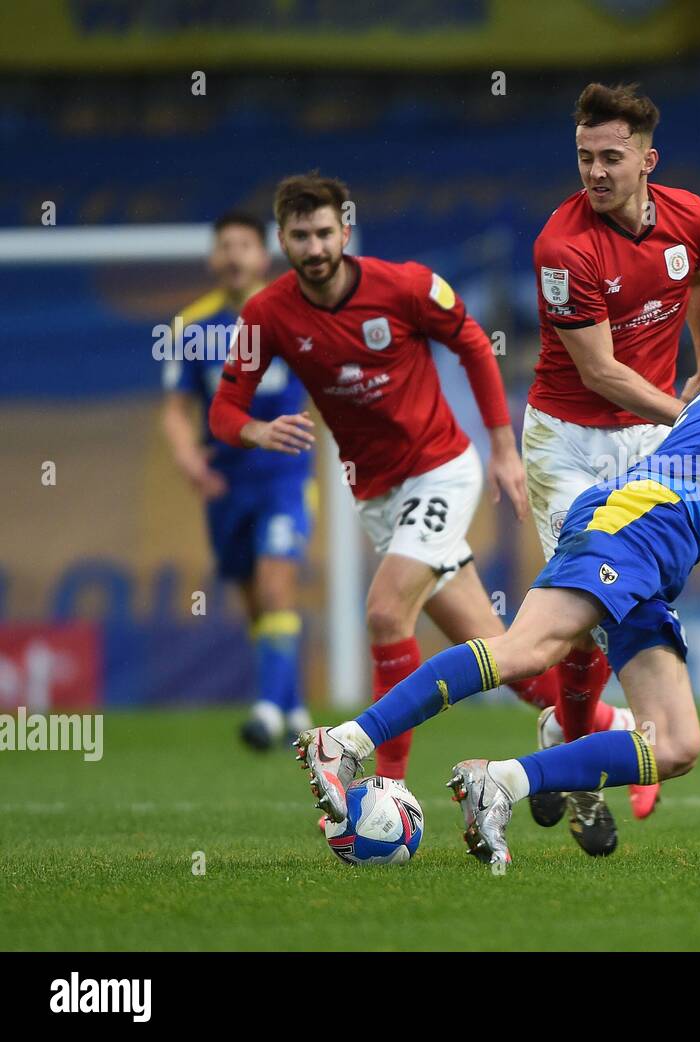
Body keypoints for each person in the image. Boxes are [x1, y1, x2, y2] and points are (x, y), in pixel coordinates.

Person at [295, 326, 700, 867]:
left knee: (676, 744)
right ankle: (347, 741)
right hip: (635, 524)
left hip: (653, 556)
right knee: (527, 651)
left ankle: (499, 782)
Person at [209, 172, 562, 784]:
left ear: (345, 231)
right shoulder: (268, 314)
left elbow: (474, 344)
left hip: (441, 470)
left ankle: (387, 788)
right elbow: (224, 411)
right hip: (378, 496)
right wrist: (257, 431)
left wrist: (504, 448)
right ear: (282, 242)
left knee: (384, 612)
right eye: (301, 236)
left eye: (324, 233)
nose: (315, 248)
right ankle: (597, 727)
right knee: (507, 659)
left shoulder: (404, 286)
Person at [520, 81, 700, 852]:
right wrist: (688, 414)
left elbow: (699, 272)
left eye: (611, 157)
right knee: (589, 610)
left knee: (615, 612)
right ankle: (576, 775)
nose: (596, 172)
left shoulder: (691, 217)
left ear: (647, 161)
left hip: (647, 440)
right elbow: (600, 373)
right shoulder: (562, 248)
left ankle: (562, 742)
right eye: (585, 157)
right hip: (568, 444)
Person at [159, 211, 313, 750]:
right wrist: (188, 460)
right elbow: (176, 409)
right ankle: (292, 705)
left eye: (244, 245)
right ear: (212, 257)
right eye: (225, 246)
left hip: (284, 475)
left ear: (263, 255)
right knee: (253, 599)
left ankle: (267, 711)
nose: (233, 255)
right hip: (226, 482)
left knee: (276, 584)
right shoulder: (191, 326)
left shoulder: (290, 313)